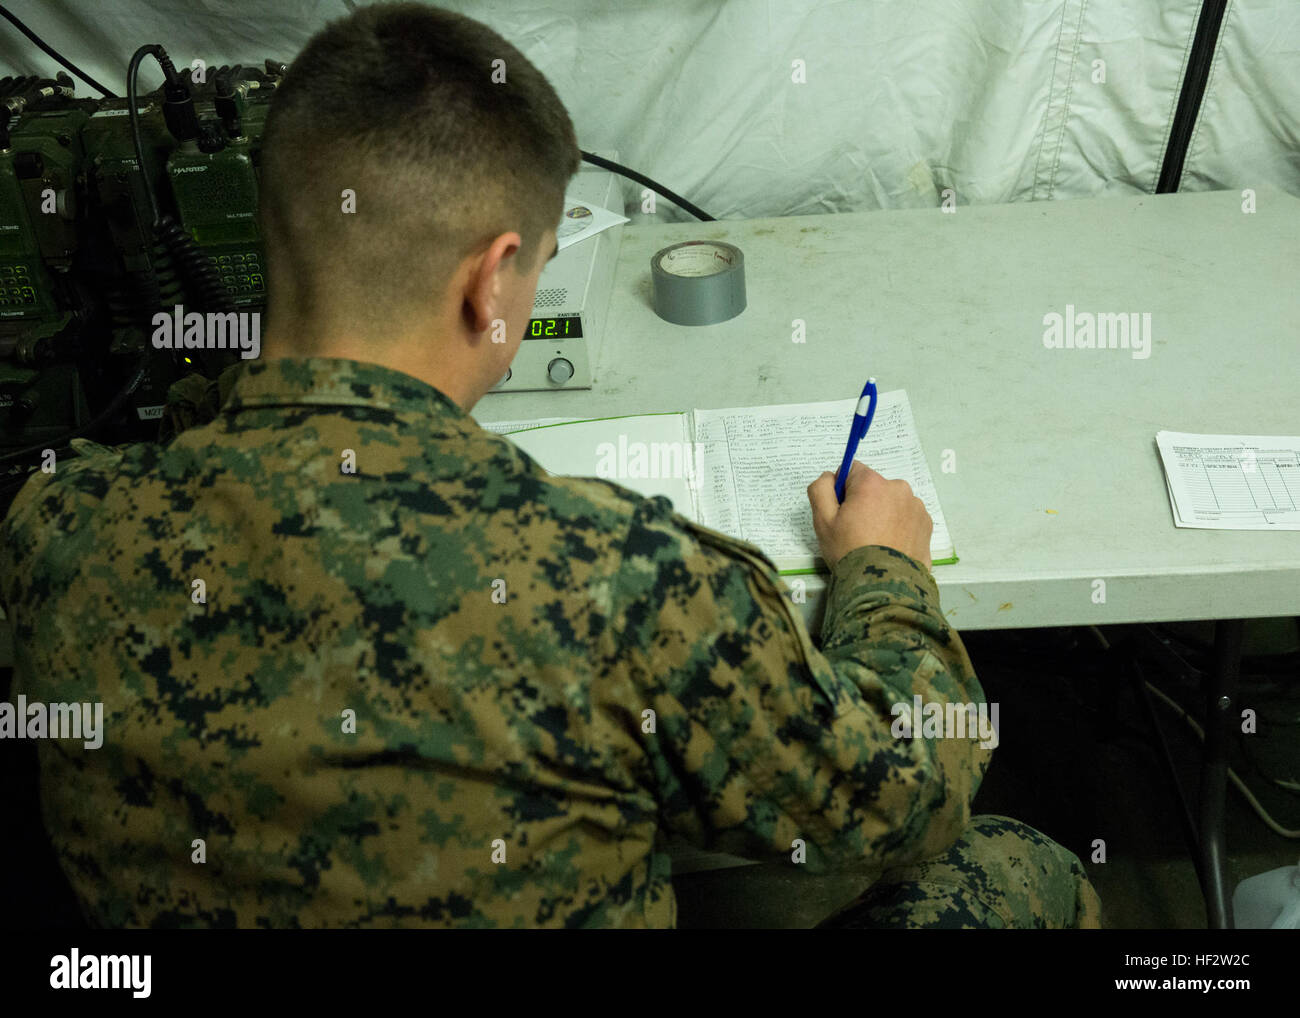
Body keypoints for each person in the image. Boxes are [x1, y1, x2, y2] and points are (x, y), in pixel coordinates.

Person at [0, 2, 1099, 928]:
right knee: (1009, 867)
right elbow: (904, 796)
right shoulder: (623, 577)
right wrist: (885, 578)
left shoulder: (56, 531)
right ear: (494, 282)